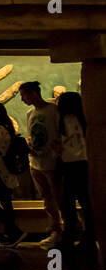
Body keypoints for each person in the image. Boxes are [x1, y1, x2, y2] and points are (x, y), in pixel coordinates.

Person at [20, 80, 72, 248]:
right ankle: (55, 228)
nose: (22, 99)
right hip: (35, 162)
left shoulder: (54, 111)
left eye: (24, 95)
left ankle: (69, 228)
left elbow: (62, 134)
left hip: (53, 161)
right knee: (46, 197)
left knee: (59, 196)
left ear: (33, 93)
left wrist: (58, 151)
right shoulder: (30, 114)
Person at [0, 101, 28, 246]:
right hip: (6, 171)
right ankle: (11, 232)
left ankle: (13, 231)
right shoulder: (8, 128)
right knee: (5, 201)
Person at [56, 91, 95, 249]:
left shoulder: (65, 120)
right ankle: (88, 234)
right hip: (83, 163)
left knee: (69, 201)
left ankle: (72, 234)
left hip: (72, 164)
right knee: (85, 201)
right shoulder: (84, 119)